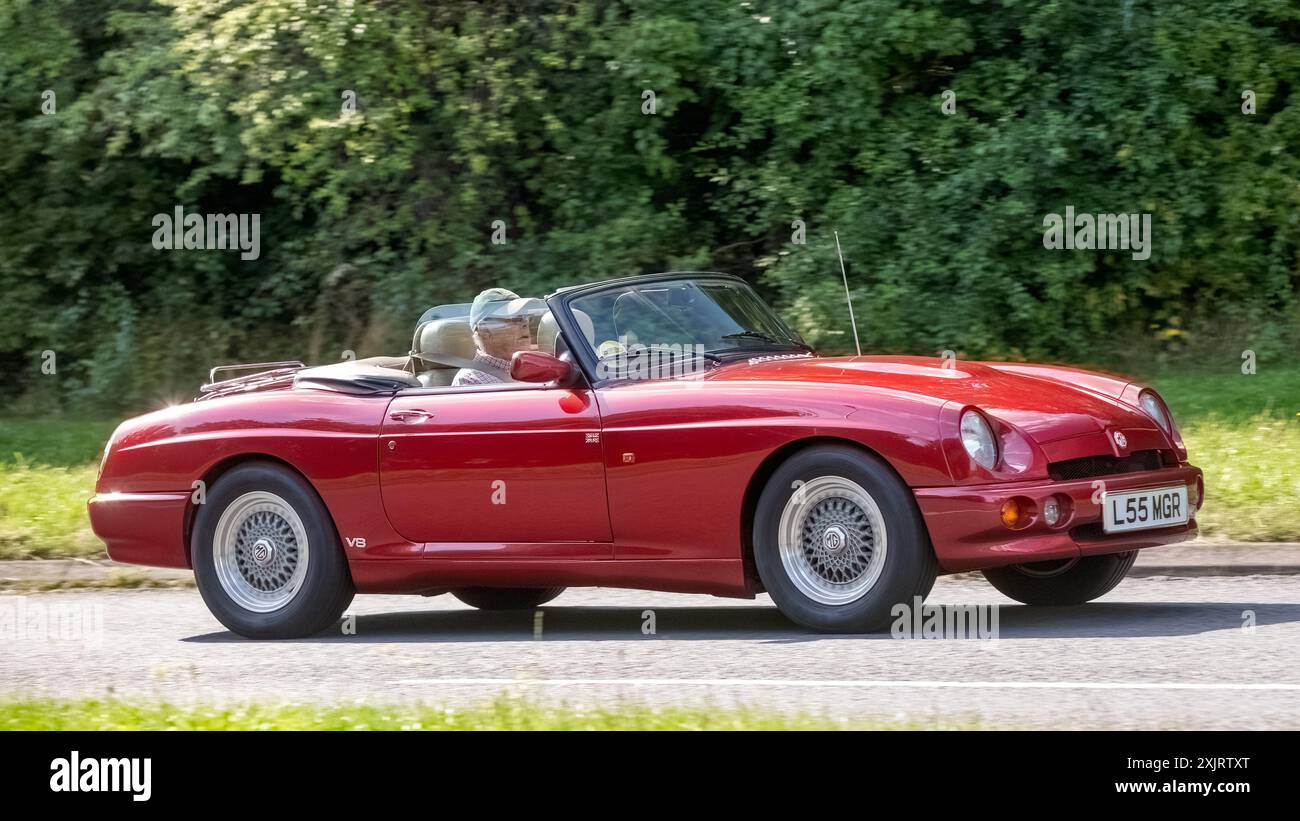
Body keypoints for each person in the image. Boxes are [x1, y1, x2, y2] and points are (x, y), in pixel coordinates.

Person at [452, 288, 540, 386]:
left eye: (525, 316)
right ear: (485, 330)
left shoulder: (537, 368)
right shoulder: (470, 380)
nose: (524, 323)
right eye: (514, 318)